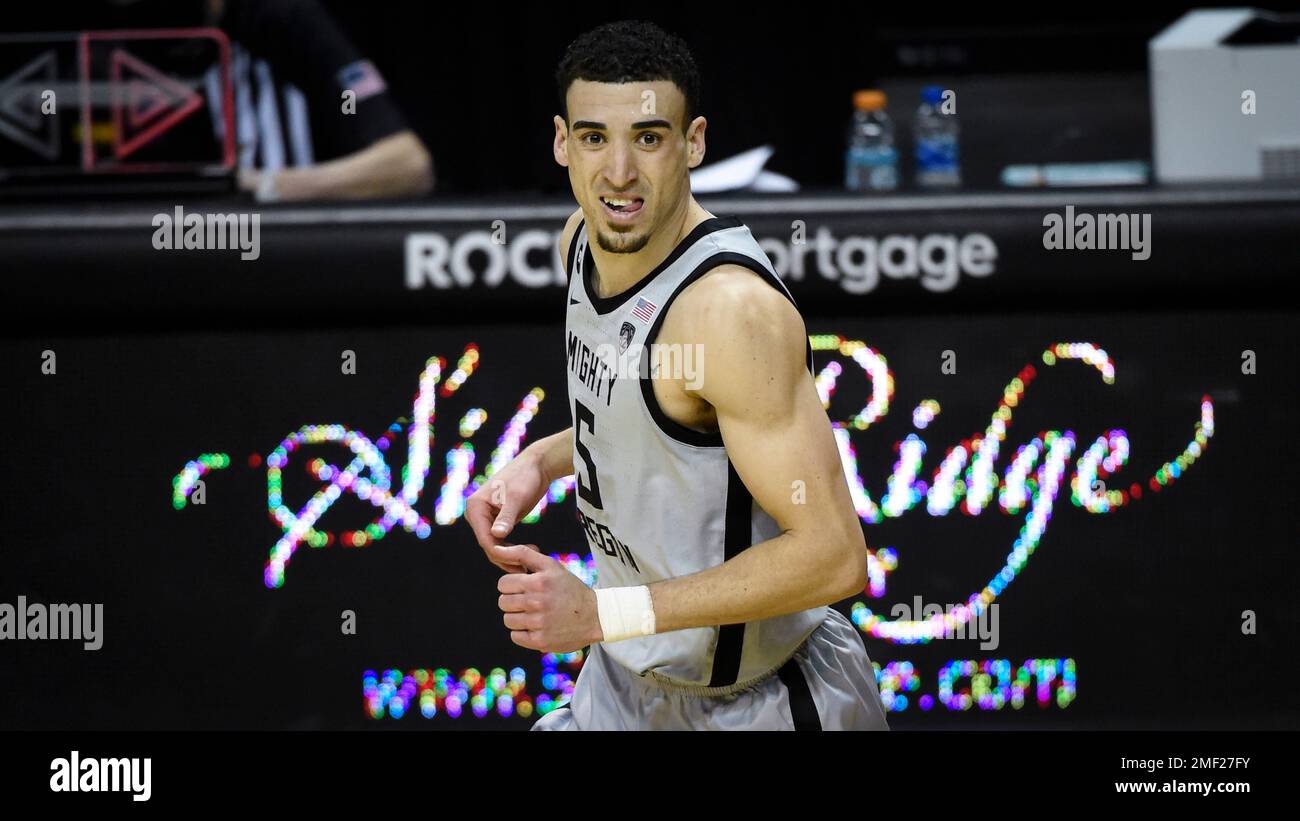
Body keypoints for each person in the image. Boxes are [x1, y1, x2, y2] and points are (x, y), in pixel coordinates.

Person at [465, 19, 888, 731]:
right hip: (623, 679)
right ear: (562, 142)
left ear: (693, 143)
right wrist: (542, 459)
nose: (620, 172)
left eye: (650, 138)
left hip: (758, 701)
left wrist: (605, 611)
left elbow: (836, 556)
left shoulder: (730, 314)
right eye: (596, 137)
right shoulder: (581, 243)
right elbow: (649, 419)